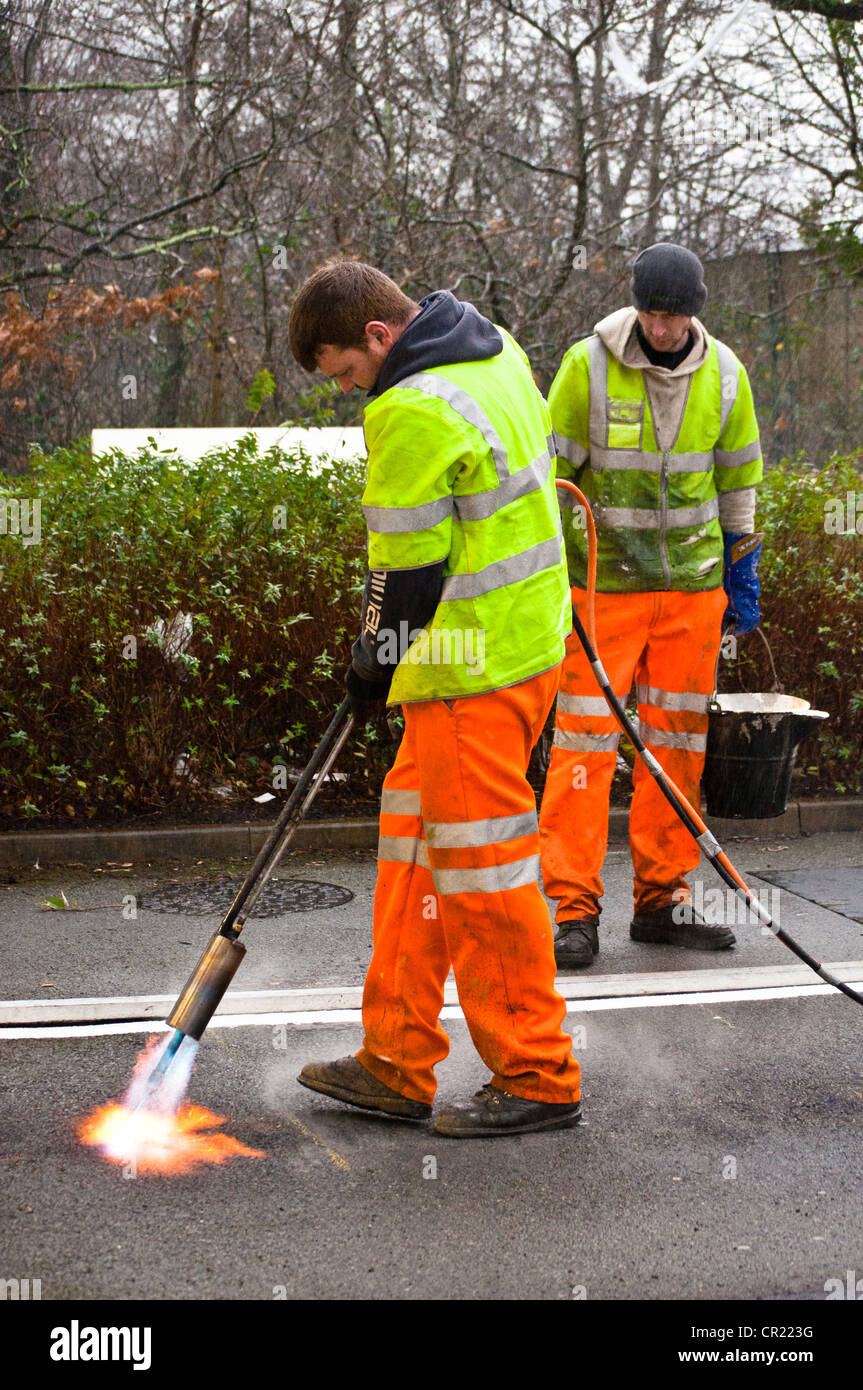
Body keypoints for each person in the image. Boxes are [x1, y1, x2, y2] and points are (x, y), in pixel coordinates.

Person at [288, 261, 581, 1136]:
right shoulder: (494, 354)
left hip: (470, 678)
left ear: (379, 337)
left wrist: (368, 666)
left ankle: (537, 1072)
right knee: (412, 861)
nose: (350, 391)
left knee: (484, 878)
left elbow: (402, 575)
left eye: (345, 371)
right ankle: (395, 1058)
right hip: (520, 650)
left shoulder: (409, 408)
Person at [540, 242, 763, 969]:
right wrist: (548, 571)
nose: (661, 329)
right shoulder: (587, 365)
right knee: (582, 750)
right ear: (635, 306)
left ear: (694, 312)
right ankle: (573, 911)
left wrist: (741, 565)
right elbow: (551, 478)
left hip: (692, 594)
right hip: (602, 590)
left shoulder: (725, 375)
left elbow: (737, 481)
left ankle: (660, 902)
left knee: (677, 751)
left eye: (673, 316)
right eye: (651, 313)